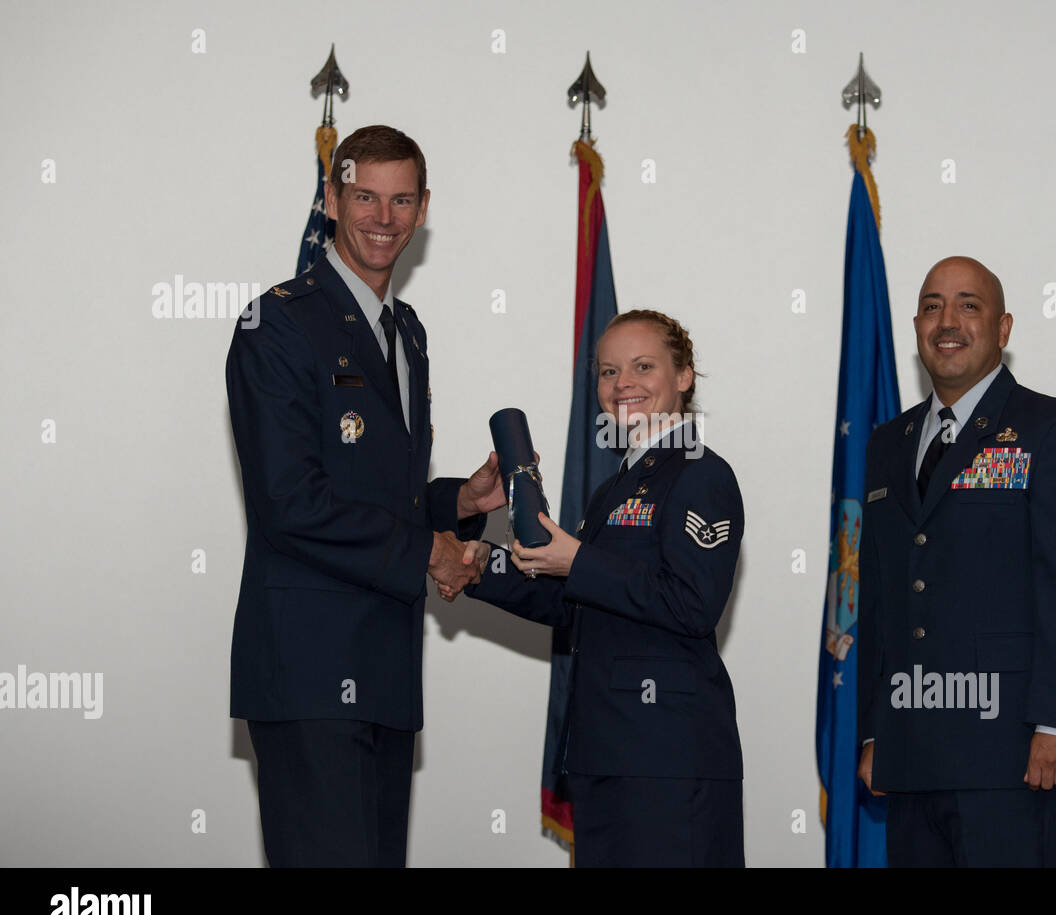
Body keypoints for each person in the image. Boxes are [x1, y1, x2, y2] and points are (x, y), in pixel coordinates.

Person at [225, 124, 503, 867]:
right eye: (365, 197)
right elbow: (290, 502)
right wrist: (429, 553)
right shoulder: (276, 322)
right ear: (332, 198)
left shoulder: (406, 331)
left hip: (387, 669)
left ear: (423, 209)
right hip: (310, 671)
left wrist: (459, 503)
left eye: (401, 200)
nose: (384, 218)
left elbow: (378, 493)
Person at [454, 310, 746, 867]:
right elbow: (576, 603)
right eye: (609, 371)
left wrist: (580, 560)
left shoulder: (701, 473)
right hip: (603, 754)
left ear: (684, 376)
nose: (622, 384)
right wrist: (480, 567)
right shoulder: (612, 489)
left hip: (668, 760)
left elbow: (693, 603)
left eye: (643, 366)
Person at [856, 256, 1056, 867]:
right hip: (911, 754)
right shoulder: (887, 444)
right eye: (932, 306)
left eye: (968, 305)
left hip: (1012, 757)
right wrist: (874, 730)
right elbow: (879, 599)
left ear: (1003, 328)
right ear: (916, 326)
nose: (947, 321)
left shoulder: (1053, 430)